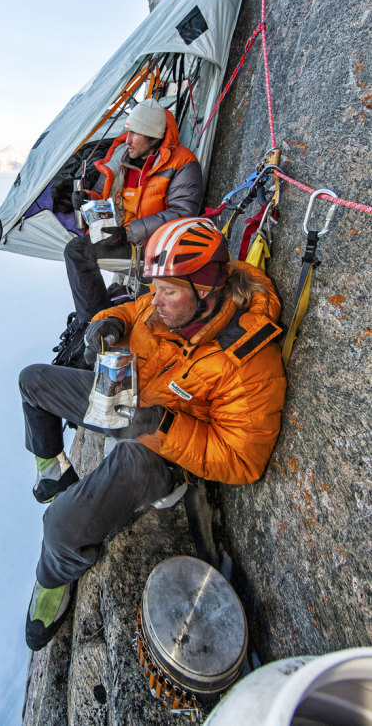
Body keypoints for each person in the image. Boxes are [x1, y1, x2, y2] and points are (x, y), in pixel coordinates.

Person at [20, 217, 287, 651]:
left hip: (159, 451)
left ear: (205, 291)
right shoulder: (171, 299)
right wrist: (108, 324)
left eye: (168, 291)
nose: (155, 300)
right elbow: (134, 309)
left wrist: (162, 426)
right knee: (32, 381)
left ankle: (51, 578)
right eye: (155, 288)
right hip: (126, 394)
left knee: (60, 525)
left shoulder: (247, 363)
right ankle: (52, 468)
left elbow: (243, 460)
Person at [62, 97, 203, 331]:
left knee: (147, 315)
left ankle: (104, 324)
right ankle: (94, 323)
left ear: (154, 137)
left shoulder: (183, 163)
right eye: (128, 132)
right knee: (77, 250)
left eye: (135, 134)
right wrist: (86, 200)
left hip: (154, 250)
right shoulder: (123, 158)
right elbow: (102, 196)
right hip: (124, 238)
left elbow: (182, 213)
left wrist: (127, 233)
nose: (127, 140)